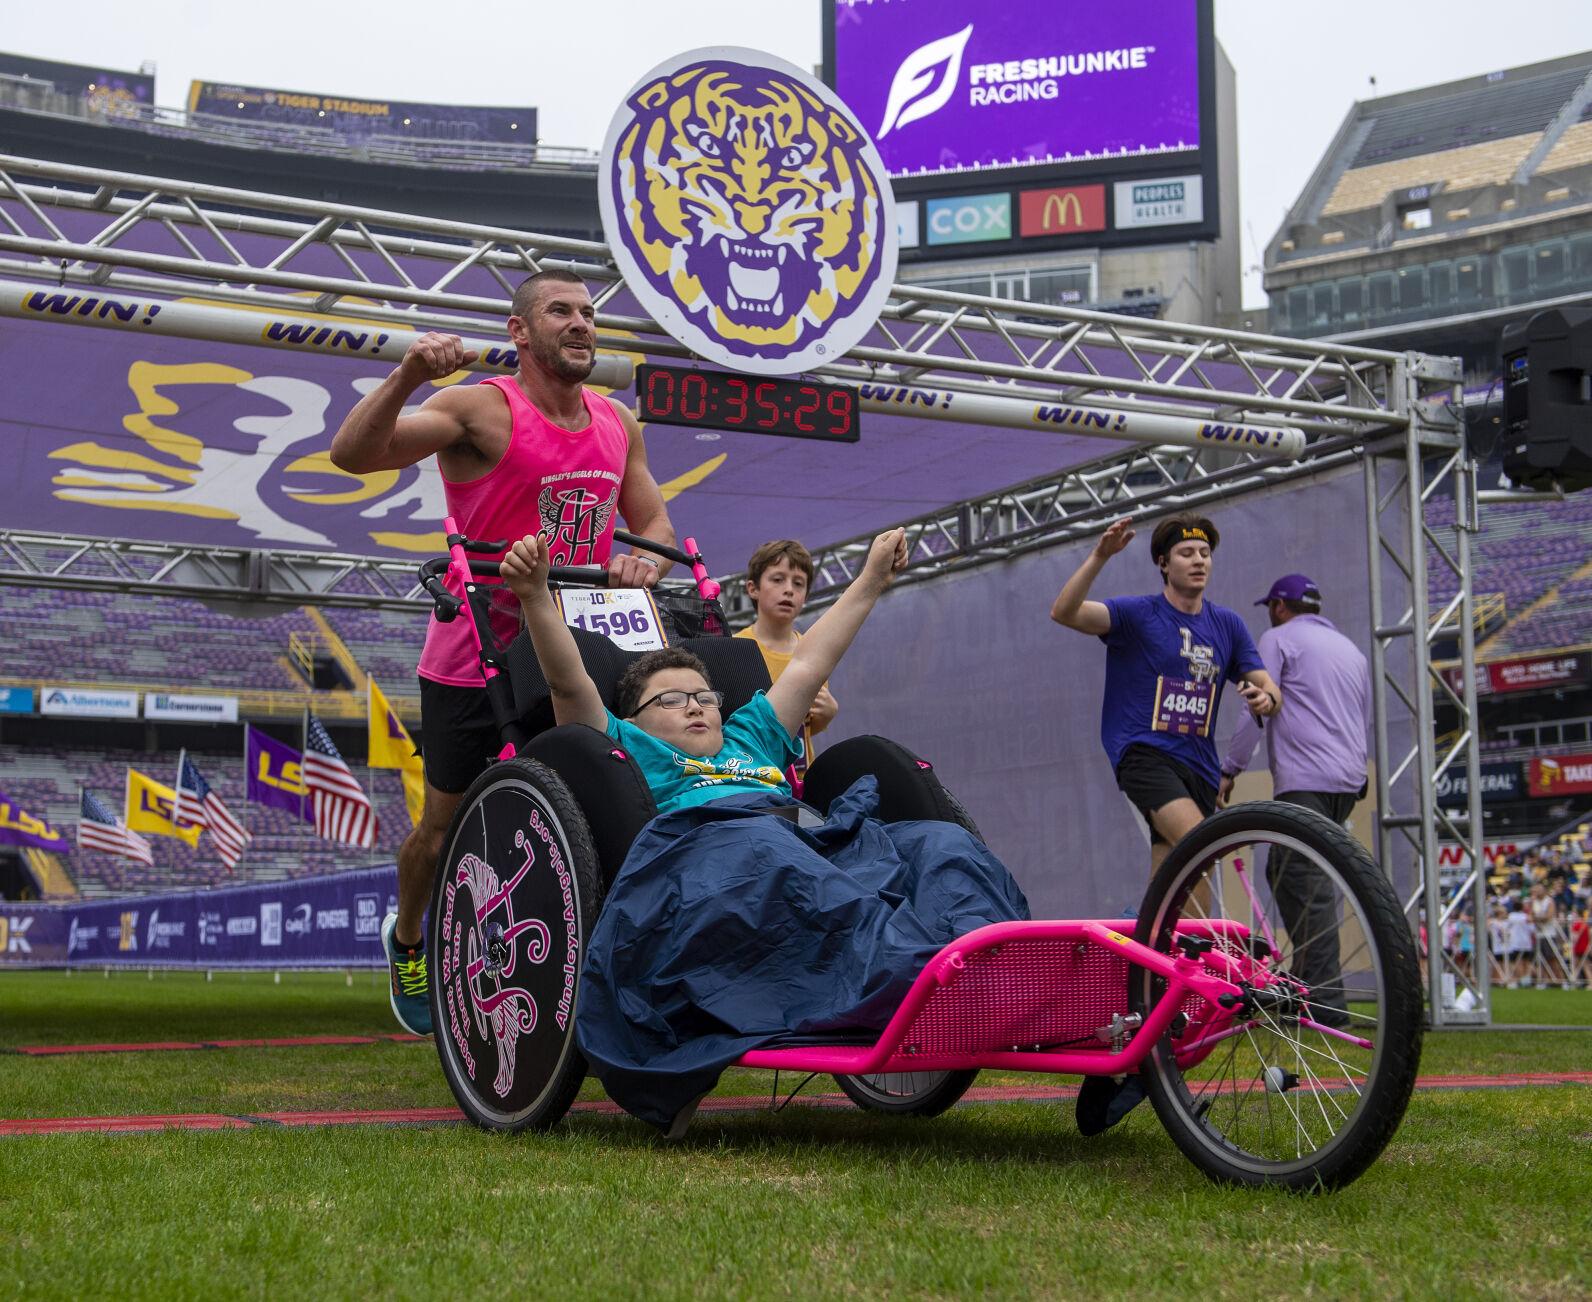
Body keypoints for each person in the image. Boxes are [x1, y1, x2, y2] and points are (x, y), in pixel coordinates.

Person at [500, 526, 1029, 1136]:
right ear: (634, 717)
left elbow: (809, 662)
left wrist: (873, 579)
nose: (697, 706)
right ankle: (925, 974)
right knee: (775, 851)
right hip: (718, 857)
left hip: (816, 844)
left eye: (704, 695)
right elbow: (570, 686)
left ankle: (1001, 963)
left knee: (942, 845)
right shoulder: (623, 744)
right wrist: (538, 595)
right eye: (672, 700)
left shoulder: (749, 735)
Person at [328, 268, 676, 1036]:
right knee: (442, 828)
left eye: (589, 313)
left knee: (605, 803)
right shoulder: (481, 406)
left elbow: (652, 520)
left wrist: (642, 558)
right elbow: (353, 455)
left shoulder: (619, 420)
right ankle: (411, 939)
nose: (582, 323)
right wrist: (413, 372)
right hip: (474, 653)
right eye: (561, 312)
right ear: (520, 331)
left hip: (578, 648)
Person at [1049, 512, 1280, 1135]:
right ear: (1163, 564)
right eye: (1185, 552)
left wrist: (1262, 695)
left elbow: (1263, 685)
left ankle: (1136, 1051)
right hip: (1143, 755)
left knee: (1174, 920)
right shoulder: (1137, 615)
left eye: (1205, 551)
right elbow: (1065, 612)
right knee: (1201, 847)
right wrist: (1098, 555)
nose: (1198, 560)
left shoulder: (1226, 624)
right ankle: (1147, 1038)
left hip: (1201, 771)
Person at [1218, 574, 1371, 1028]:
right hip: (1347, 781)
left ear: (1280, 607)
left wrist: (1230, 768)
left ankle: (1324, 1002)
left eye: (1271, 606)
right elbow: (1360, 718)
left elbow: (1255, 704)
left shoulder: (1278, 638)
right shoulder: (1352, 651)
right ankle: (1308, 984)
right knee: (1297, 874)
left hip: (1306, 779)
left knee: (1303, 879)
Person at [733, 538, 838, 783]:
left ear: (806, 596)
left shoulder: (813, 648)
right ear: (753, 588)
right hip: (752, 778)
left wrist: (827, 714)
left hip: (802, 780)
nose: (789, 589)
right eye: (778, 579)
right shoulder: (735, 648)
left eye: (798, 583)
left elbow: (807, 725)